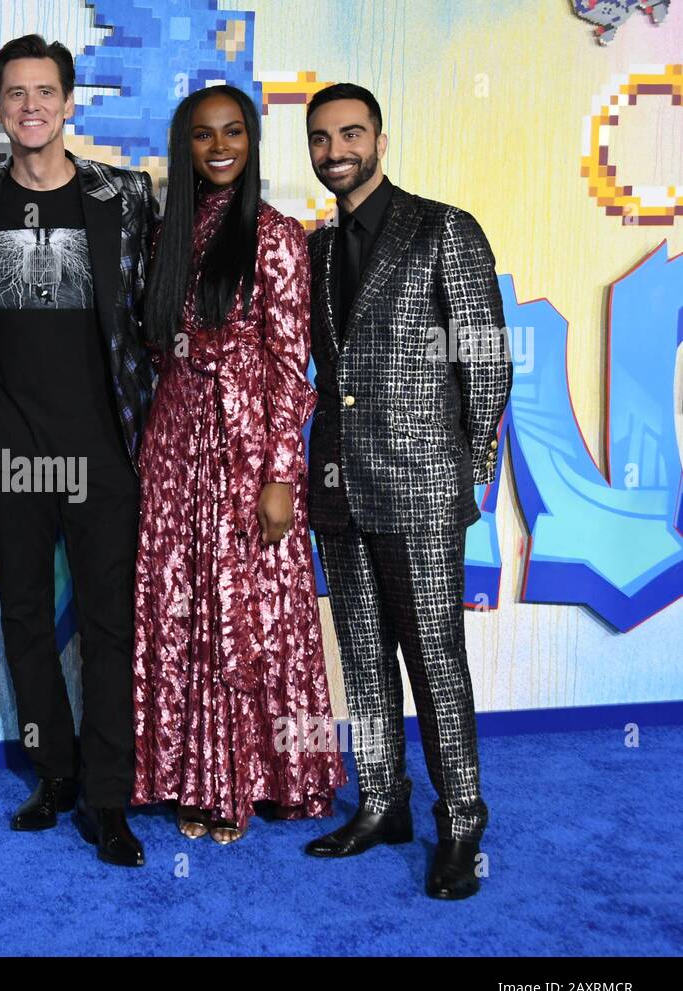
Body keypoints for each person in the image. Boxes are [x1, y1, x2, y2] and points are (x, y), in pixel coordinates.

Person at [0, 34, 159, 866]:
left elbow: (150, 316)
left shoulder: (124, 195)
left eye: (46, 92)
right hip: (5, 451)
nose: (31, 105)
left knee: (108, 627)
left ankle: (109, 797)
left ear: (69, 103)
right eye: (15, 93)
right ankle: (55, 774)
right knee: (26, 619)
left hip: (103, 450)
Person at [301, 83, 512, 899]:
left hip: (422, 489)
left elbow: (487, 359)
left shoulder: (444, 229)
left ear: (381, 140)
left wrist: (466, 472)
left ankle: (461, 818)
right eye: (321, 139)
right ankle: (382, 802)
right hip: (340, 487)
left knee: (435, 658)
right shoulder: (320, 251)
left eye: (350, 134)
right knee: (362, 654)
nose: (334, 151)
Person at [131, 85, 347, 844]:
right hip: (172, 445)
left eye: (233, 133)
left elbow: (294, 368)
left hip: (249, 449)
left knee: (250, 615)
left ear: (252, 142)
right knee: (184, 608)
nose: (219, 146)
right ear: (184, 145)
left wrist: (281, 473)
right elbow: (159, 350)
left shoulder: (279, 235)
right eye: (202, 135)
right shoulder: (166, 237)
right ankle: (192, 779)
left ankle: (268, 781)